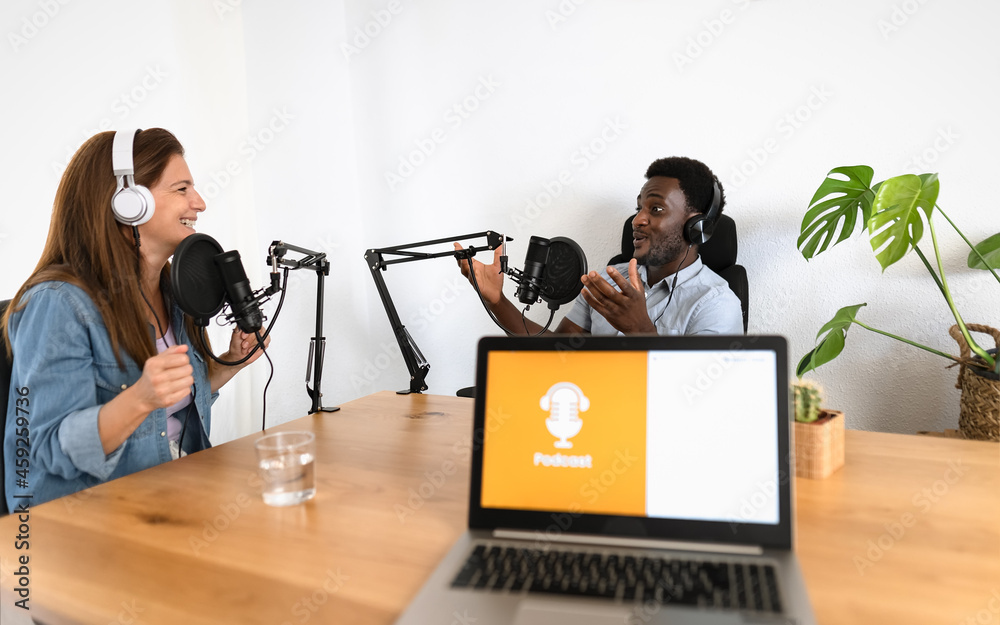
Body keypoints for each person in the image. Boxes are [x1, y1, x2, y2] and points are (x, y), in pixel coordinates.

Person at [2, 128, 267, 509]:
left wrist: (228, 365)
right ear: (128, 203)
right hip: (85, 529)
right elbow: (43, 449)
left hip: (172, 497)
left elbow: (171, 406)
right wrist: (139, 399)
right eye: (181, 189)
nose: (200, 203)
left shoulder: (175, 292)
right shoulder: (58, 305)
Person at [455, 156, 743, 336]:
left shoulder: (717, 304)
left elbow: (702, 405)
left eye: (656, 209)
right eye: (639, 207)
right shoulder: (605, 280)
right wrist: (496, 301)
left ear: (697, 228)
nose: (637, 219)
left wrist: (640, 330)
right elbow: (556, 354)